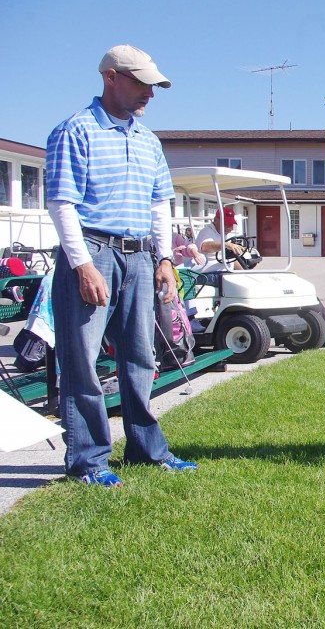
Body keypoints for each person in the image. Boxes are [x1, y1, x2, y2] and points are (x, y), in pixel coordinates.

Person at [45, 44, 197, 486]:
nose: (150, 93)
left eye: (154, 85)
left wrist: (164, 258)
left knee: (140, 358)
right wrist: (82, 266)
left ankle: (148, 452)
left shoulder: (148, 140)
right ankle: (89, 462)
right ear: (110, 77)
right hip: (92, 253)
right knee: (82, 361)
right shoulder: (74, 131)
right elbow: (61, 203)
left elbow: (159, 203)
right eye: (141, 83)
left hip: (140, 257)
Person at [195, 207, 244, 271]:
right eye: (227, 224)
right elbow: (204, 247)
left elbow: (232, 259)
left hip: (225, 272)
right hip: (210, 273)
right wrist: (226, 245)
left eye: (231, 225)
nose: (231, 228)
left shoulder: (225, 235)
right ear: (216, 221)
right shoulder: (207, 231)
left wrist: (244, 272)